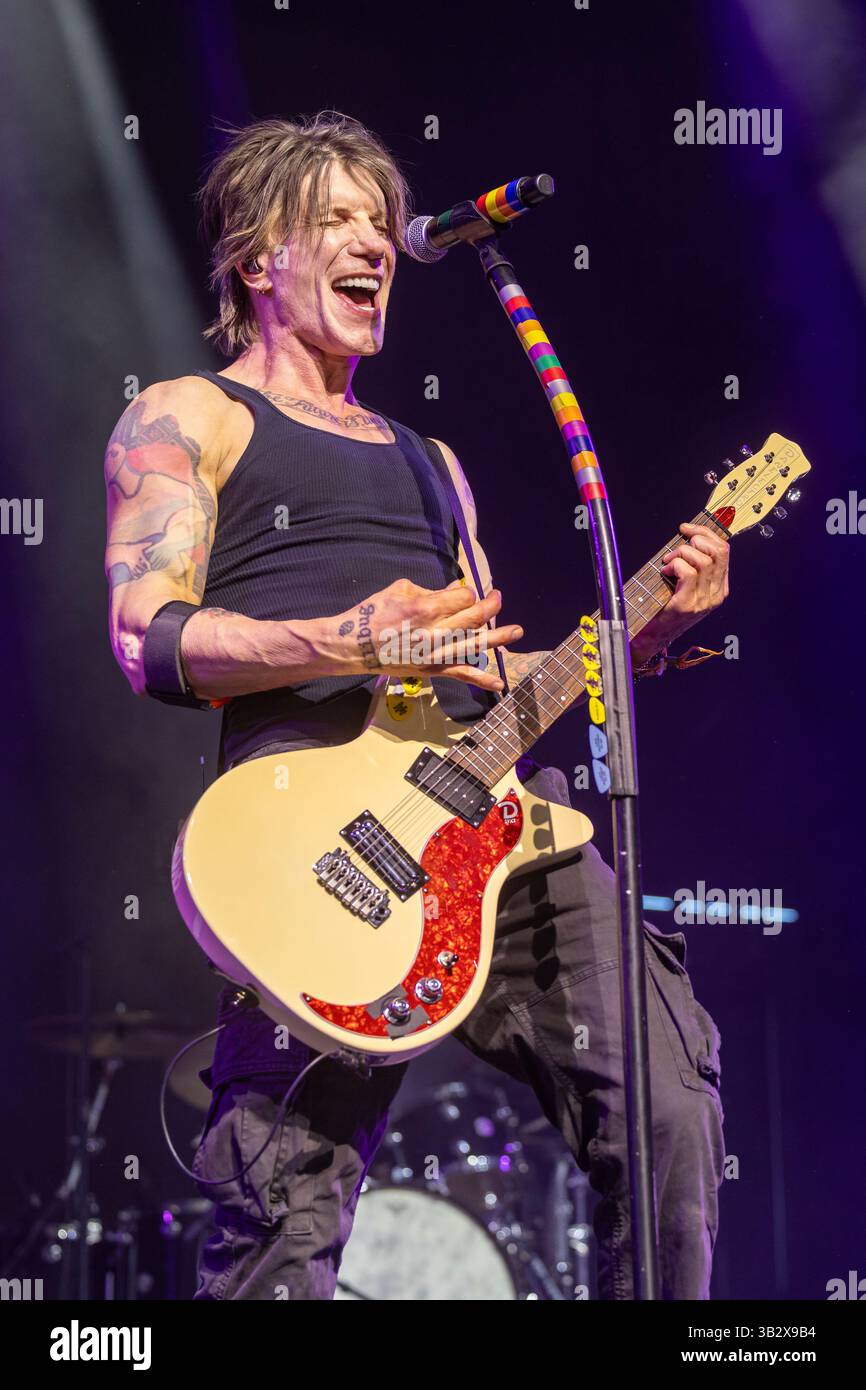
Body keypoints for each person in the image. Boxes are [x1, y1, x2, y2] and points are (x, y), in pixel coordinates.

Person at [104, 112, 729, 1300]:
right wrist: (342, 637)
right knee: (284, 1207)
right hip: (319, 843)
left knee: (667, 1109)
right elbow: (149, 635)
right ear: (255, 258)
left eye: (379, 223)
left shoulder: (430, 459)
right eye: (335, 218)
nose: (374, 242)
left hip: (492, 824)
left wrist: (639, 629)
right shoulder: (191, 416)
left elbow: (492, 673)